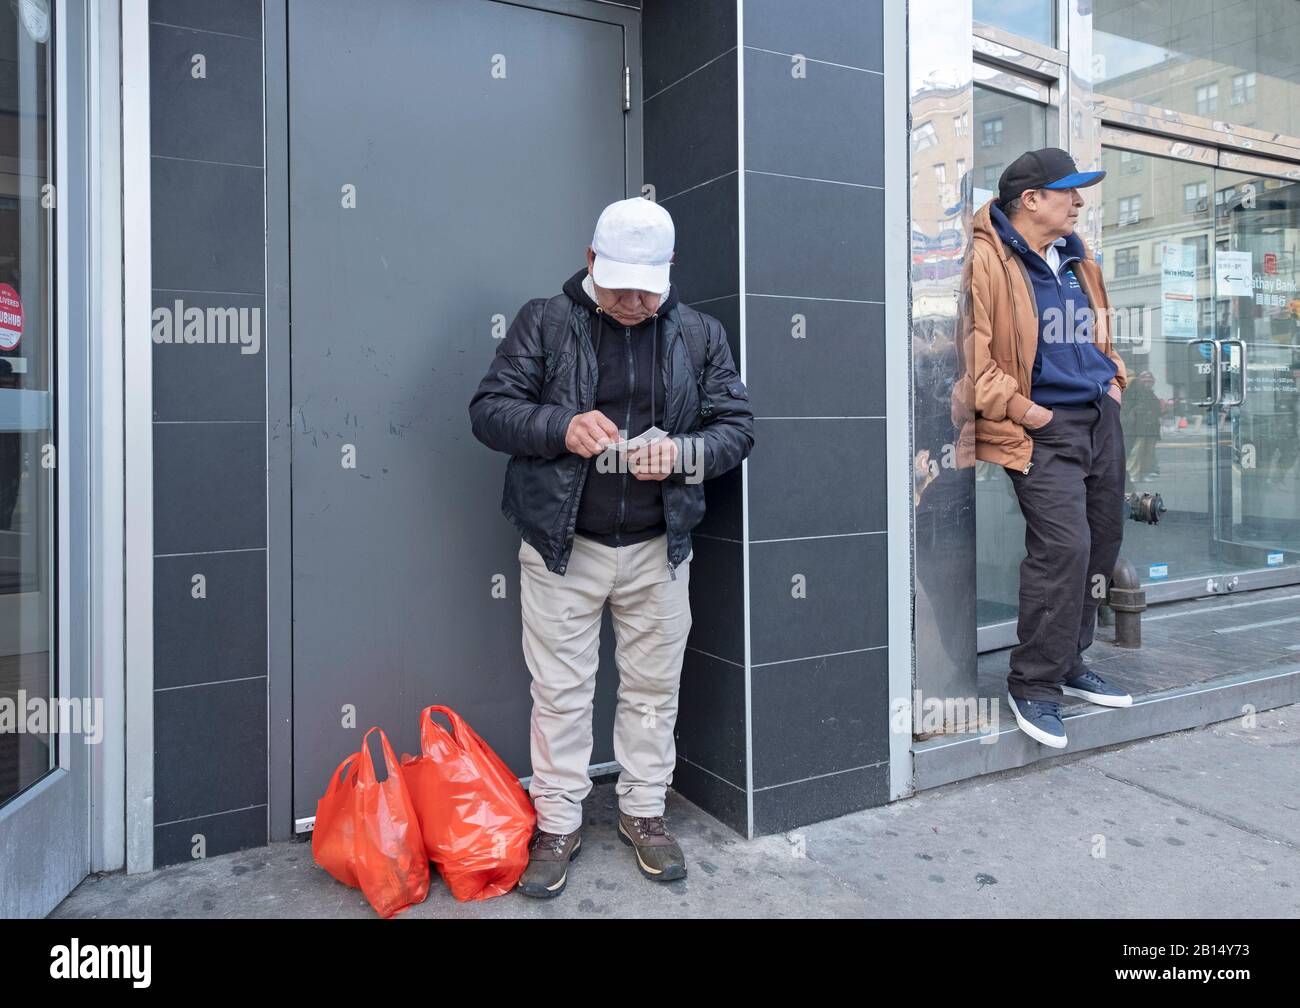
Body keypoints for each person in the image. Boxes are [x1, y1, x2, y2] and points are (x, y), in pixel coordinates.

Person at [468, 197, 753, 897]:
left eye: (645, 288)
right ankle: (558, 822)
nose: (631, 301)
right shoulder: (546, 320)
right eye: (618, 284)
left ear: (667, 272)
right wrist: (562, 427)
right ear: (592, 262)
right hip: (564, 545)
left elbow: (737, 428)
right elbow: (488, 411)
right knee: (560, 693)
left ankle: (644, 814)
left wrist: (685, 453)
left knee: (653, 691)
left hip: (661, 547)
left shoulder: (697, 333)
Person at [969, 147, 1134, 750]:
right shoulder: (987, 260)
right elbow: (972, 357)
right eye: (1069, 191)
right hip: (1042, 425)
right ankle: (1033, 684)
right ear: (1031, 199)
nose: (1079, 202)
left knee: (1101, 542)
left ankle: (1068, 660)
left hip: (1098, 416)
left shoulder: (1077, 258)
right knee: (1063, 549)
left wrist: (1114, 380)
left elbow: (1100, 333)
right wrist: (1025, 410)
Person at [1122, 370, 1162, 485]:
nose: (1148, 384)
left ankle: (1144, 473)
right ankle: (1133, 473)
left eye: (1150, 382)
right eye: (1145, 381)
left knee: (1148, 452)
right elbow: (1127, 409)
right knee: (1137, 452)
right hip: (1139, 428)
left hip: (1150, 428)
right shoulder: (1134, 393)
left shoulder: (1150, 394)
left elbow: (1156, 410)